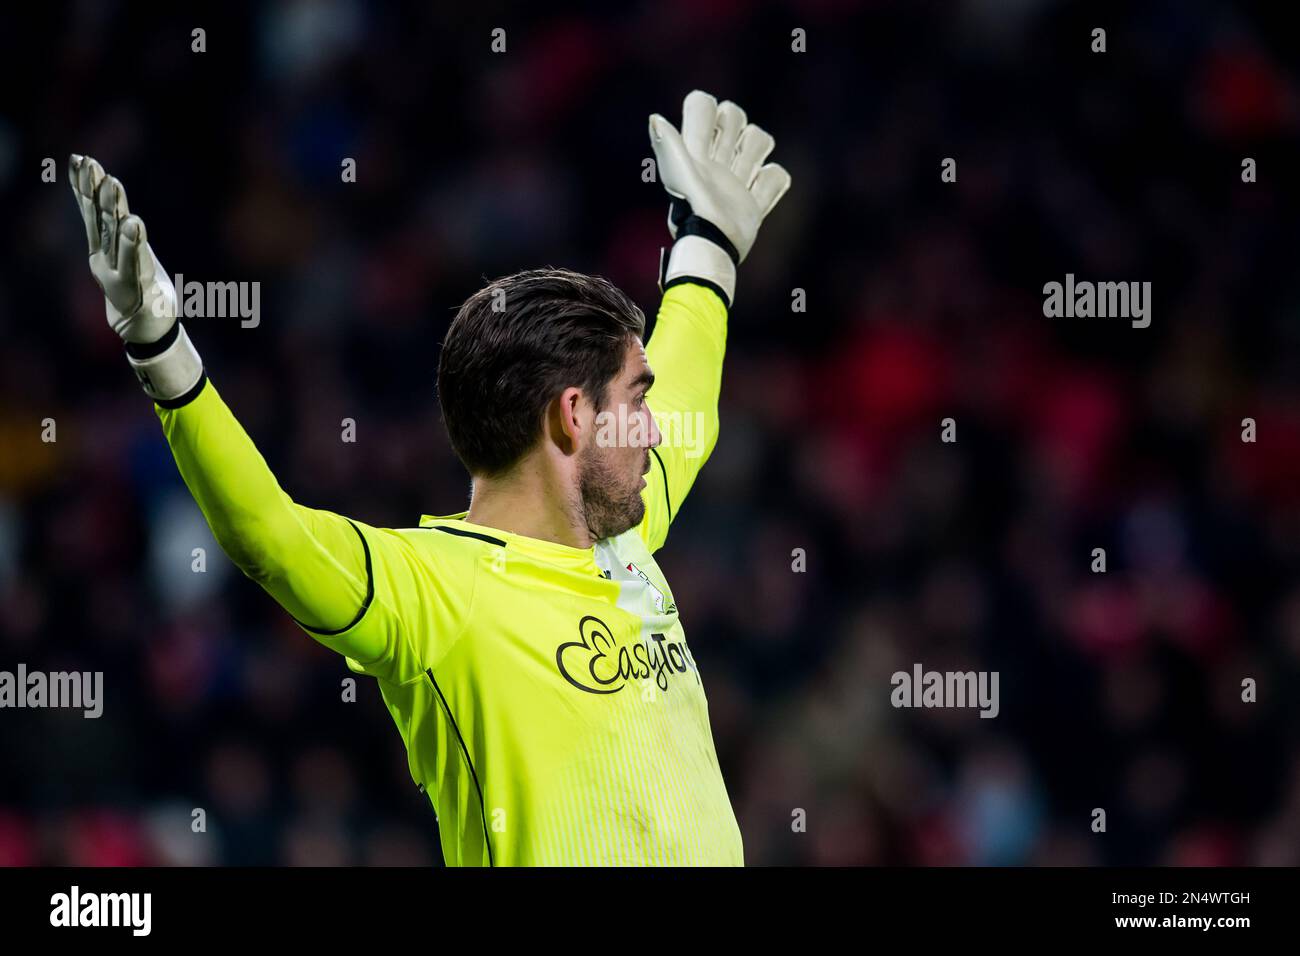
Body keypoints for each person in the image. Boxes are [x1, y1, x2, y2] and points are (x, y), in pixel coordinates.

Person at [69, 90, 790, 866]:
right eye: (635, 402)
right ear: (572, 417)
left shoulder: (626, 531)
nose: (655, 428)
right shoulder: (437, 593)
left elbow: (689, 399)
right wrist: (164, 354)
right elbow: (268, 535)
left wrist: (706, 246)